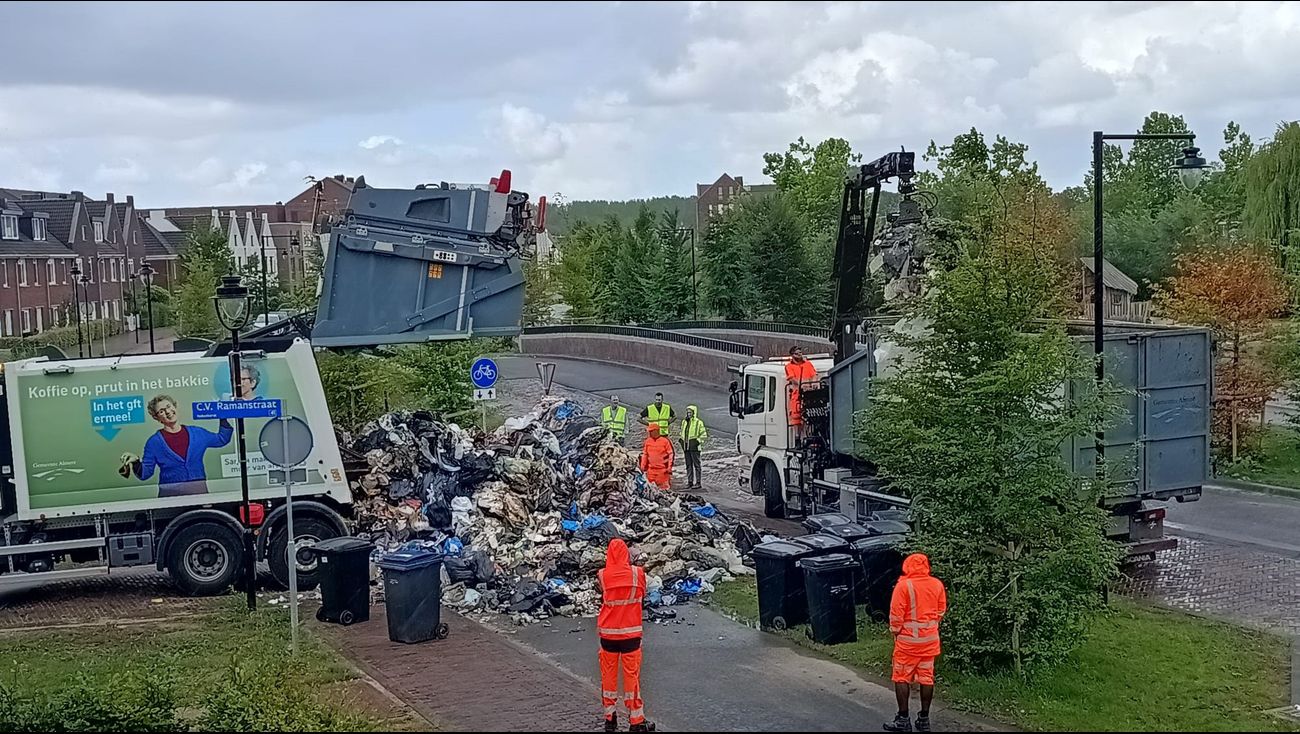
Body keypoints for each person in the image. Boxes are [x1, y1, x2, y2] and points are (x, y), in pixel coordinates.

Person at [120, 394, 234, 498]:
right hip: (170, 498)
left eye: (169, 406)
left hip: (199, 494)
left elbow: (222, 439)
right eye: (161, 411)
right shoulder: (154, 442)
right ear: (157, 418)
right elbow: (145, 474)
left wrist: (222, 415)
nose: (168, 412)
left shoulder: (197, 433)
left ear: (175, 406)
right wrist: (135, 462)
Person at [883, 553, 948, 733]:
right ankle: (924, 719)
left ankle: (903, 719)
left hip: (908, 642)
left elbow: (896, 614)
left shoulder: (903, 586)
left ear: (907, 566)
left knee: (901, 677)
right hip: (930, 640)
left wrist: (895, 631)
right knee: (927, 678)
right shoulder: (936, 584)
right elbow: (941, 610)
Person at [597, 538, 655, 732]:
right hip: (631, 634)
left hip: (608, 635)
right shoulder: (637, 574)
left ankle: (610, 718)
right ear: (626, 555)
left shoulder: (603, 575)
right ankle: (636, 720)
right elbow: (642, 595)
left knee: (608, 677)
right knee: (632, 677)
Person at [784, 346, 817, 439]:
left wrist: (813, 383)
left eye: (800, 353)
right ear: (792, 355)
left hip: (809, 394)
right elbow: (792, 378)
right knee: (796, 418)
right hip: (797, 395)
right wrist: (802, 384)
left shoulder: (808, 364)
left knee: (810, 416)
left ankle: (810, 436)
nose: (799, 355)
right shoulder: (788, 367)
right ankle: (797, 438)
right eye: (797, 353)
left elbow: (814, 374)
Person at [679, 404, 708, 490]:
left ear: (694, 413)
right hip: (686, 446)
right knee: (688, 465)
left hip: (694, 447)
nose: (688, 414)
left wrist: (698, 441)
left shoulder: (698, 422)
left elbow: (704, 435)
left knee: (696, 465)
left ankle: (698, 482)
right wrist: (681, 440)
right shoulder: (684, 422)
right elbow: (682, 432)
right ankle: (690, 481)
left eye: (690, 412)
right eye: (687, 412)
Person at [638, 423, 674, 491]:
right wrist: (642, 467)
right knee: (651, 490)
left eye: (651, 431)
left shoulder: (665, 441)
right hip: (651, 471)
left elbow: (670, 454)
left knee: (664, 491)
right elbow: (645, 455)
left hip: (662, 471)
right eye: (649, 431)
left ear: (656, 431)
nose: (650, 433)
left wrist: (669, 467)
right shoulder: (648, 441)